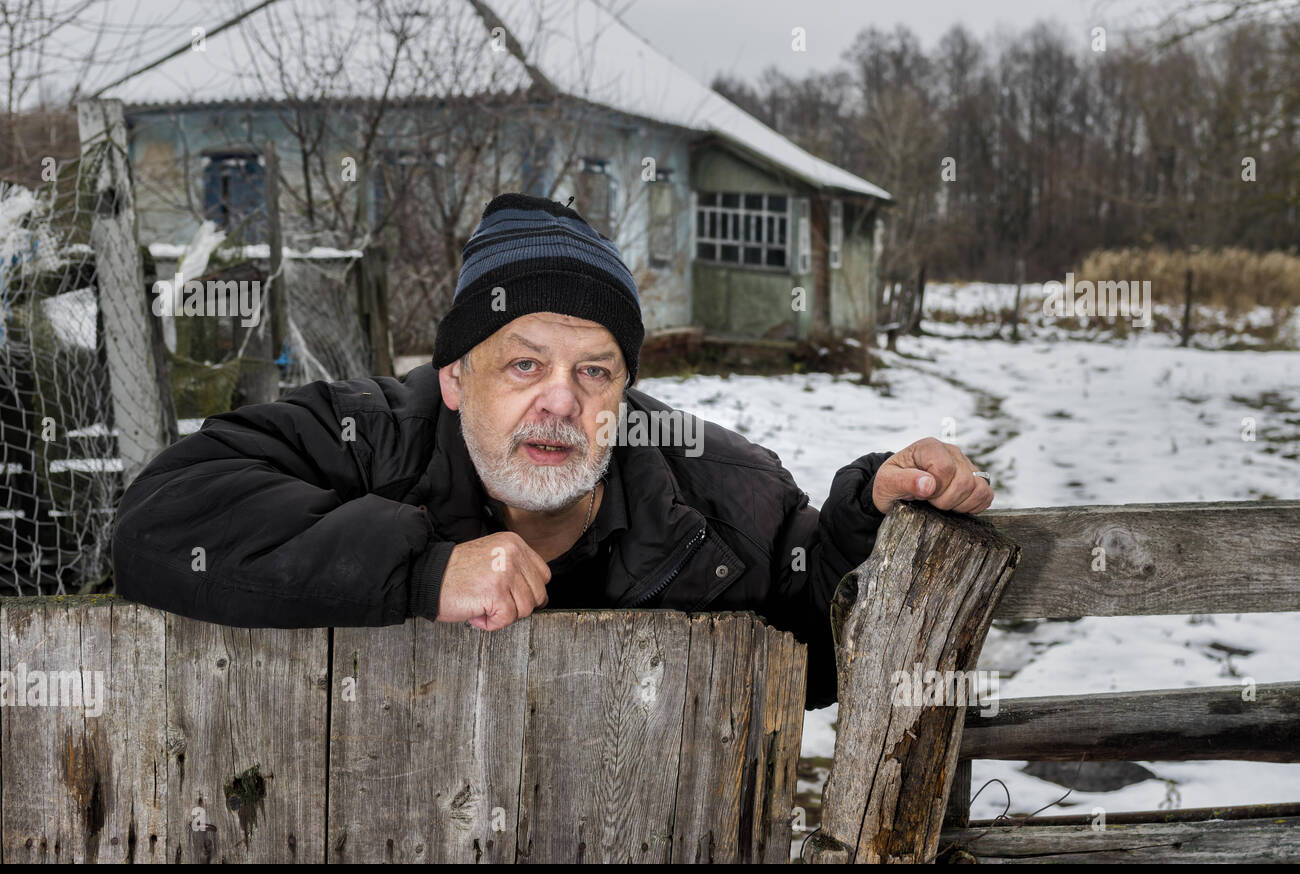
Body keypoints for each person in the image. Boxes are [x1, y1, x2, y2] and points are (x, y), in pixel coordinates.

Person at [111, 192, 993, 709]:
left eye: (596, 372)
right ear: (455, 377)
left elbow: (816, 636)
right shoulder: (365, 437)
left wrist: (871, 514)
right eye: (524, 362)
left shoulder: (715, 492)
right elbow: (159, 520)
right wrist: (422, 569)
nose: (561, 401)